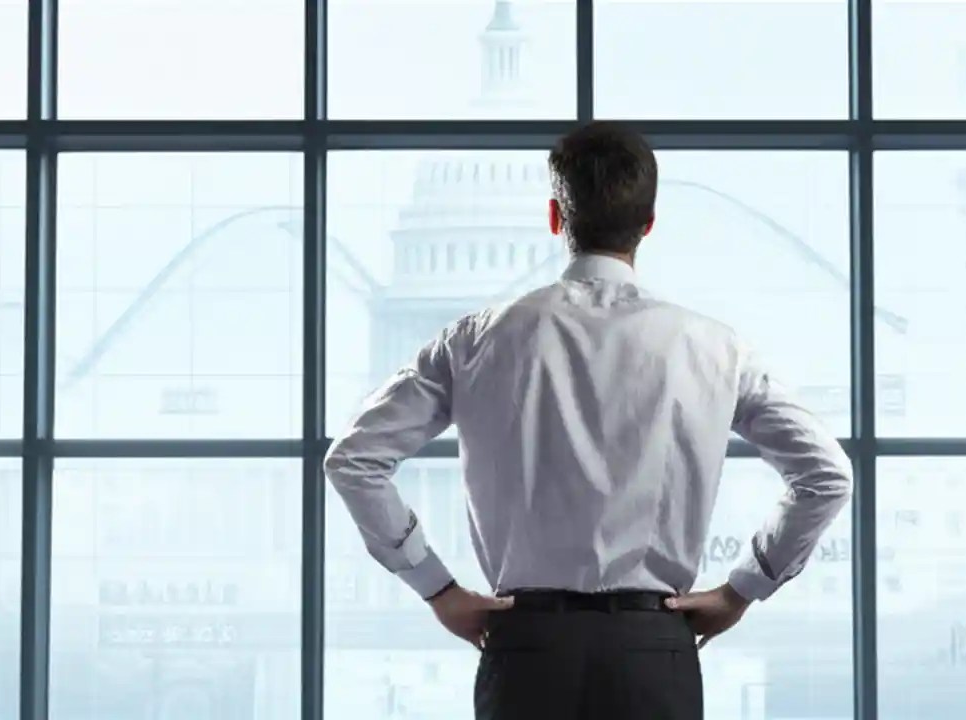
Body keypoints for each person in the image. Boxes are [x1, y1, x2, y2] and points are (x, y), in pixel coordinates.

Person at [324, 121, 853, 720]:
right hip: (655, 651)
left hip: (526, 649)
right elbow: (827, 476)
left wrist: (437, 587)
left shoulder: (475, 341)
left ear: (555, 217)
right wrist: (742, 589)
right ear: (648, 224)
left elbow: (353, 460)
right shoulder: (713, 348)